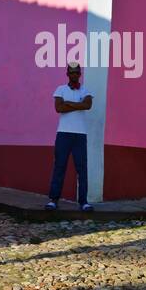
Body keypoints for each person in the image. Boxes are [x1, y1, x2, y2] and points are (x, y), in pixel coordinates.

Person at [46, 61, 93, 211]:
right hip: (63, 134)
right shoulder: (60, 89)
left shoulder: (86, 90)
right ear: (67, 74)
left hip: (80, 135)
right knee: (59, 166)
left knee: (82, 169)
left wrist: (69, 104)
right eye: (71, 72)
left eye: (76, 72)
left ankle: (83, 202)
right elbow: (59, 108)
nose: (74, 75)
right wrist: (76, 104)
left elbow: (87, 105)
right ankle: (53, 200)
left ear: (80, 74)